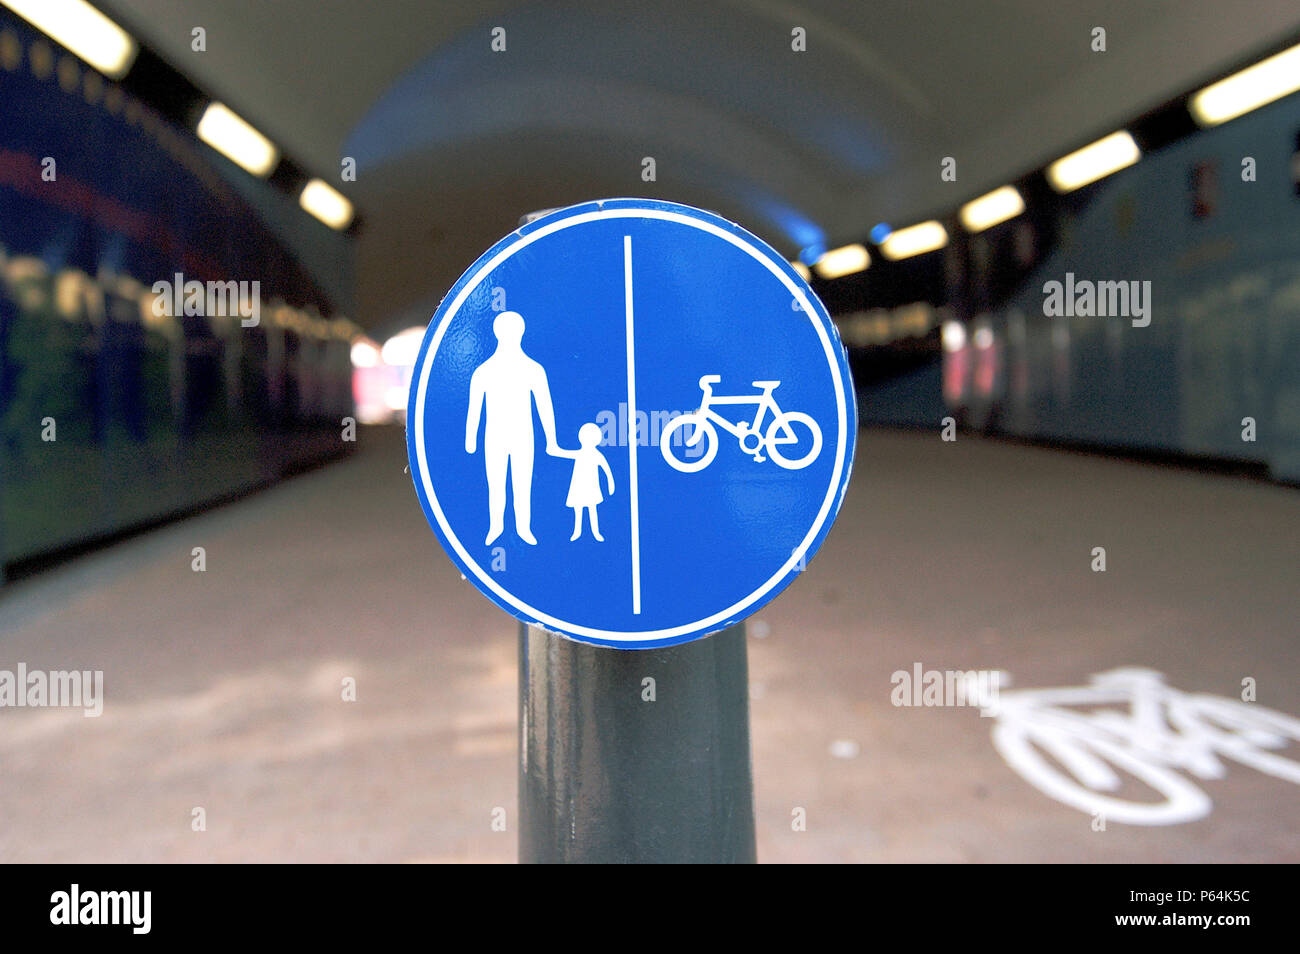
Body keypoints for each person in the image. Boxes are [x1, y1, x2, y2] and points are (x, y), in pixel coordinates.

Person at [465, 311, 562, 545]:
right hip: (495, 437)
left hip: (523, 436)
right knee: (496, 483)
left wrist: (551, 439)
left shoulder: (533, 369)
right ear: (498, 334)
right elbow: (474, 410)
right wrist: (470, 440)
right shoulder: (484, 371)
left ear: (521, 333)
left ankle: (523, 528)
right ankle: (496, 527)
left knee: (522, 482)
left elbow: (545, 407)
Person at [565, 422, 614, 542]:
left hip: (592, 487)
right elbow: (564, 453)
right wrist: (553, 450)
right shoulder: (579, 453)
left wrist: (611, 482)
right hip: (578, 486)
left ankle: (596, 532)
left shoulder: (597, 455)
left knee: (592, 509)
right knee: (578, 508)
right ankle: (577, 531)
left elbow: (606, 469)